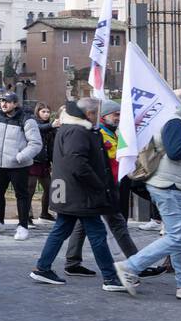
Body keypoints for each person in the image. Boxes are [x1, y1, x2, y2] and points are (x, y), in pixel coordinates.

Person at [28, 99, 141, 294]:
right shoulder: (78, 131)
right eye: (96, 113)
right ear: (89, 114)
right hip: (81, 193)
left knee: (61, 229)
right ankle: (110, 277)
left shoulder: (71, 128)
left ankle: (43, 267)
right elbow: (77, 163)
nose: (98, 117)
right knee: (97, 234)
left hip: (73, 192)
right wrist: (98, 184)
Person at [116, 91, 181, 300]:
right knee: (179, 237)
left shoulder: (170, 119)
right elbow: (176, 151)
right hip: (172, 187)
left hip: (175, 186)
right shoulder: (174, 120)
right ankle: (129, 267)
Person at [62, 100, 139, 276]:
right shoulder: (99, 133)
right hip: (102, 185)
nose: (119, 118)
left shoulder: (109, 133)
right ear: (104, 116)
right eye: (116, 114)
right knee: (117, 223)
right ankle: (137, 263)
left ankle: (71, 261)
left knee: (82, 223)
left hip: (105, 184)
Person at [0, 92, 42, 240]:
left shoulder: (27, 120)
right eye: (2, 101)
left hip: (18, 165)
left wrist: (20, 157)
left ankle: (23, 226)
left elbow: (35, 144)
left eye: (8, 102)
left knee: (21, 195)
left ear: (16, 104)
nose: (4, 104)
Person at [26, 103, 56, 224]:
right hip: (34, 161)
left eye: (48, 112)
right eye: (43, 111)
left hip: (44, 162)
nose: (46, 114)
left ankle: (44, 213)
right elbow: (39, 128)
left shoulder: (50, 127)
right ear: (37, 112)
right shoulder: (33, 122)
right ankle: (26, 216)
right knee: (30, 189)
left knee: (49, 188)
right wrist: (51, 125)